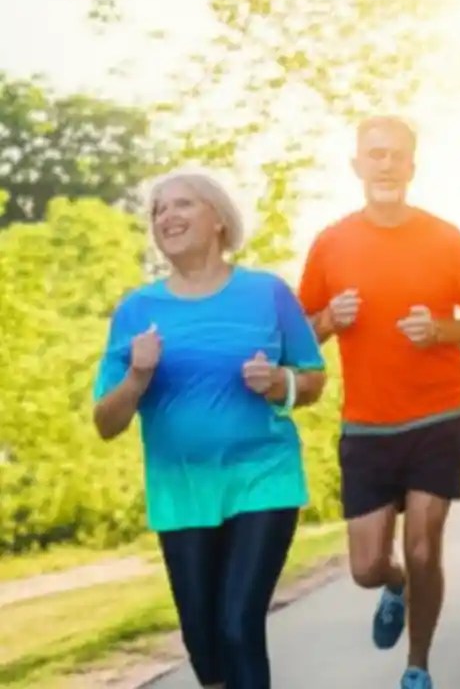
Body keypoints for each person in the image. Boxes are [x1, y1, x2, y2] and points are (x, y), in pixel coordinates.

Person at [92, 168, 327, 689]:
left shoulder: (267, 293)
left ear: (218, 219)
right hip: (181, 489)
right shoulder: (137, 310)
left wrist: (280, 383)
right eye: (158, 209)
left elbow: (313, 378)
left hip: (262, 476)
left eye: (182, 204)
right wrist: (137, 377)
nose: (167, 216)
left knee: (238, 625)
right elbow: (106, 423)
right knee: (204, 641)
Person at [297, 116, 460, 689]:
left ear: (412, 166)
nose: (385, 164)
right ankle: (394, 584)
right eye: (375, 154)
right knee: (365, 567)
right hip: (367, 426)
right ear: (357, 164)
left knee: (425, 547)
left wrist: (440, 330)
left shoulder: (446, 238)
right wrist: (329, 319)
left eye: (396, 155)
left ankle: (417, 666)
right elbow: (299, 337)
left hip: (437, 417)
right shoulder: (331, 243)